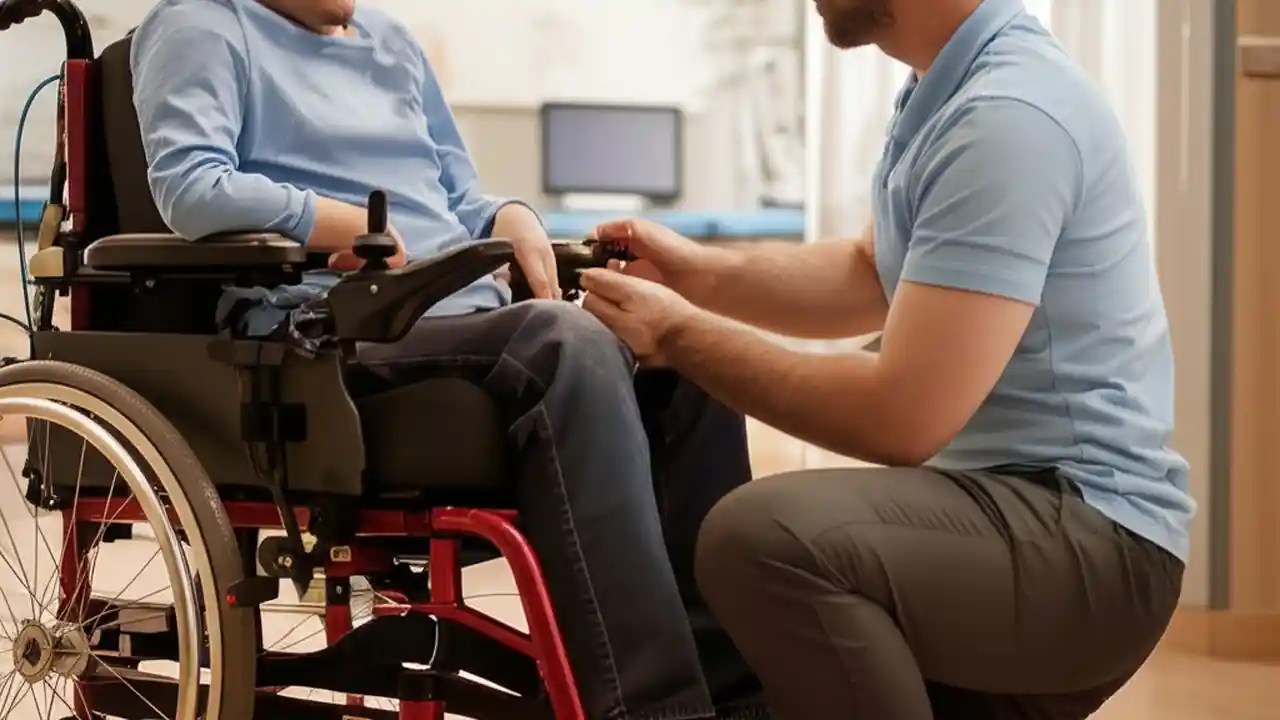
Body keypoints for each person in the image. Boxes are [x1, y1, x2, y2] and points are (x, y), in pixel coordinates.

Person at [130, 1, 761, 718]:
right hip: (326, 334)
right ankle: (655, 709)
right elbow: (190, 188)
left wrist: (509, 215)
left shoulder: (392, 43)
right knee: (564, 344)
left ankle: (740, 702)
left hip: (466, 319)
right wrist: (335, 221)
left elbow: (460, 195)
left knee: (687, 355)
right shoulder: (202, 26)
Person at [580, 0, 1193, 718]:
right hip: (1017, 514)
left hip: (1090, 546)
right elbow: (874, 272)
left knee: (762, 539)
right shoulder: (946, 89)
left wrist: (682, 334)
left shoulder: (1007, 117)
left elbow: (901, 418)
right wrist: (698, 277)